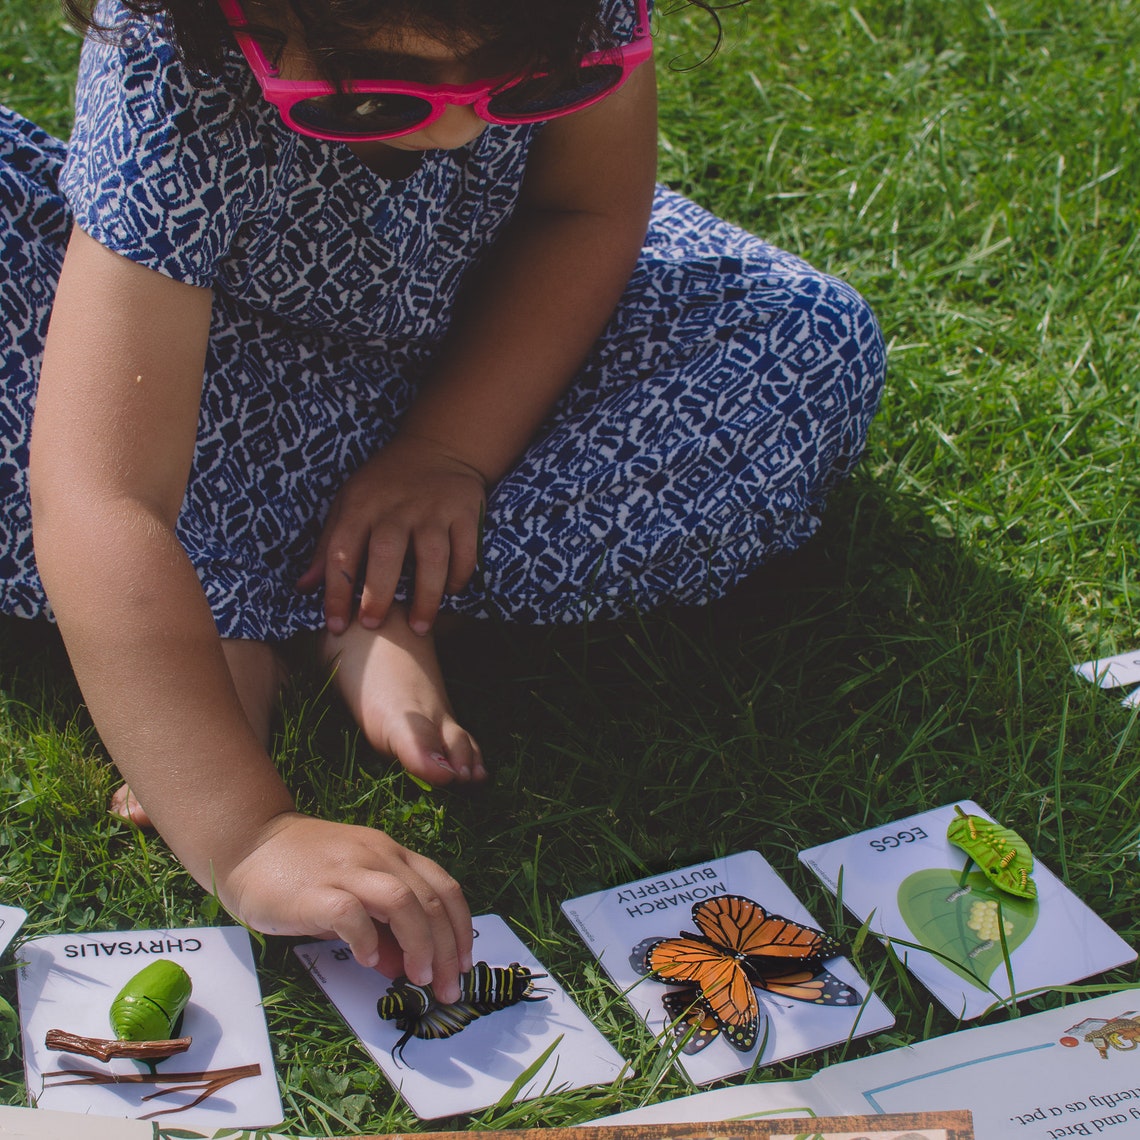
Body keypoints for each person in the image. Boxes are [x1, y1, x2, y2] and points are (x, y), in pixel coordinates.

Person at [0, 0, 885, 999]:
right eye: (374, 95)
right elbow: (98, 487)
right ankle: (293, 607)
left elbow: (582, 214)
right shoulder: (170, 61)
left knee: (800, 346)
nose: (463, 129)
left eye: (530, 84)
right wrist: (248, 836)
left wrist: (449, 451)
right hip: (149, 374)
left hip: (463, 347)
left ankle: (339, 590)